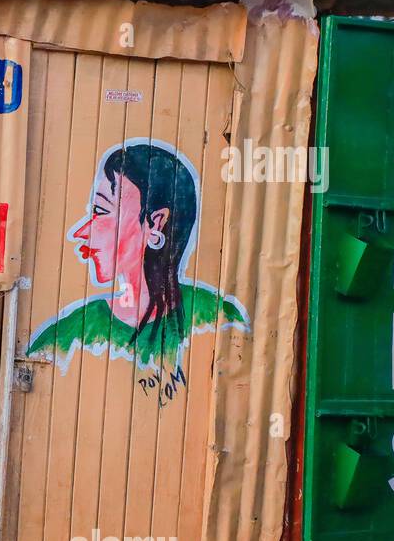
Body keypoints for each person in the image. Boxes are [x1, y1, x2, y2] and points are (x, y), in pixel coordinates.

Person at [27, 140, 249, 373]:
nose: (80, 232)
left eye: (100, 211)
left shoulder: (217, 321)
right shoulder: (71, 334)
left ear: (155, 223)